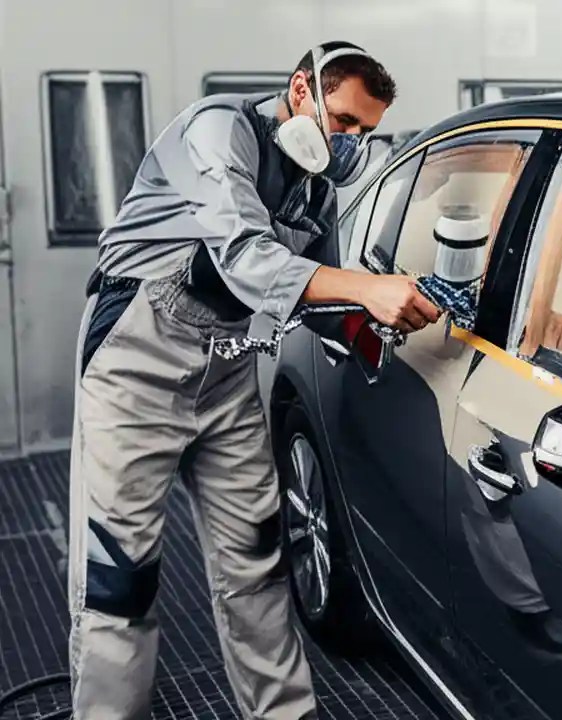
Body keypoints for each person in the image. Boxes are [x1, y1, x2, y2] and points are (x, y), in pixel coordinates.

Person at [66, 41, 439, 719]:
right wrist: (369, 286)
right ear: (303, 90)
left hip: (229, 368)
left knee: (259, 564)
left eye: (368, 133)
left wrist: (374, 326)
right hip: (136, 360)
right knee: (121, 577)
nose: (355, 144)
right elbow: (244, 257)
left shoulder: (317, 188)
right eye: (348, 122)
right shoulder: (218, 129)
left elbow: (316, 299)